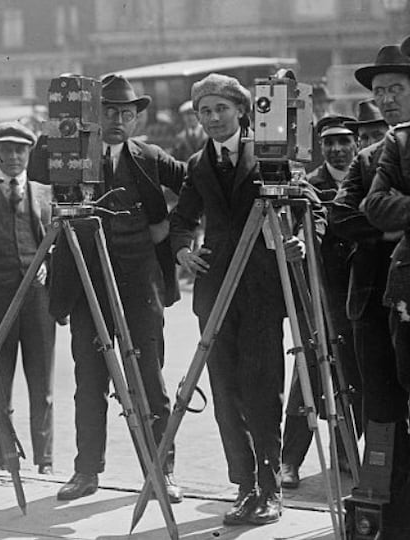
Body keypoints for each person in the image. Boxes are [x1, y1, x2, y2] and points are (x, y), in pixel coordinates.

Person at [170, 73, 314, 526]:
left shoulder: (273, 155)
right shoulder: (197, 164)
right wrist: (183, 251)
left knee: (261, 389)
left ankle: (269, 489)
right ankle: (243, 486)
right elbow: (181, 220)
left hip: (260, 292)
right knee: (226, 392)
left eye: (221, 110)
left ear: (242, 112)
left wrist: (301, 242)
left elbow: (309, 204)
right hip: (214, 293)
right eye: (204, 112)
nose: (213, 119)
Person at [50, 75, 186, 503]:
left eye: (126, 114)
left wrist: (171, 229)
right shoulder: (70, 154)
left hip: (138, 284)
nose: (116, 120)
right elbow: (36, 165)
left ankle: (161, 472)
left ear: (135, 119)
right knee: (89, 380)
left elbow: (194, 185)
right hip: (88, 285)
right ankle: (86, 471)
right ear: (95, 114)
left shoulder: (149, 156)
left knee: (148, 379)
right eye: (108, 111)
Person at [0, 121, 55, 475]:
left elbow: (57, 243)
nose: (14, 156)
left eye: (20, 150)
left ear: (29, 153)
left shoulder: (44, 193)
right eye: (6, 149)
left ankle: (44, 459)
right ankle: (5, 454)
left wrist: (47, 265)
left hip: (37, 301)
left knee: (42, 382)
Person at [281, 115, 361, 489]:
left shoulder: (367, 178)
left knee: (355, 373)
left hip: (357, 293)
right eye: (329, 143)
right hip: (317, 291)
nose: (337, 149)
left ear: (355, 144)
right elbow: (298, 226)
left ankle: (345, 450)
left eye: (344, 141)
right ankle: (289, 460)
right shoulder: (309, 185)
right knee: (309, 375)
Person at [359, 40, 410, 533]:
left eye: (397, 88)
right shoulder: (398, 144)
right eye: (381, 92)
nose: (388, 99)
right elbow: (374, 207)